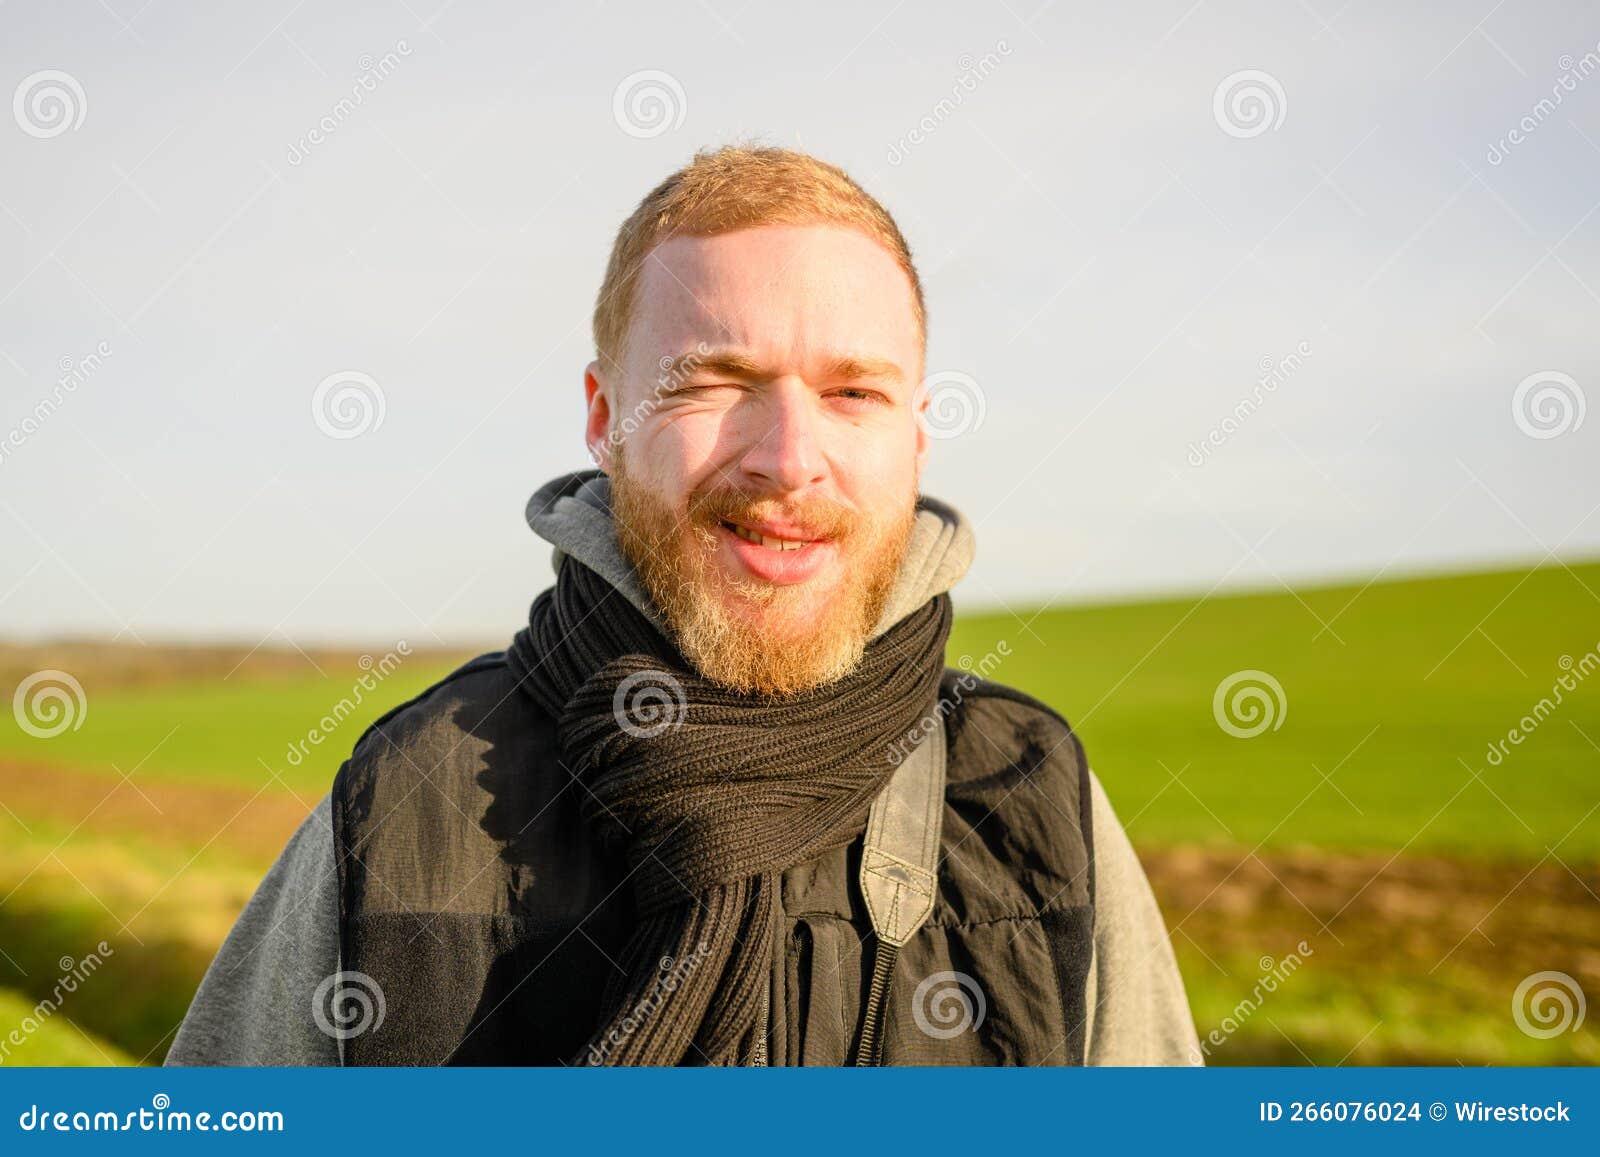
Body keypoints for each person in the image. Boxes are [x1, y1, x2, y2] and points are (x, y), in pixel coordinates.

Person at [167, 144, 1198, 1067]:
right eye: (716, 380)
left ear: (917, 435)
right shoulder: (408, 802)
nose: (790, 459)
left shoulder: (1030, 796)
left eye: (853, 394)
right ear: (604, 416)